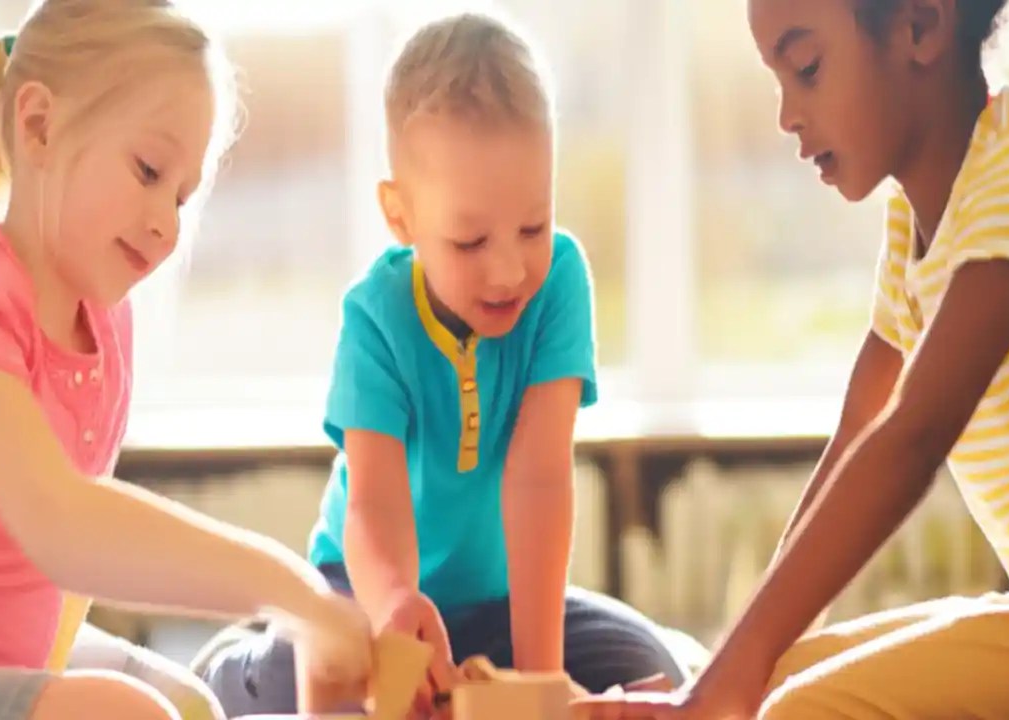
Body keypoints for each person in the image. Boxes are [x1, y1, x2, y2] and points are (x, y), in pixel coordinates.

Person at [575, 0, 1009, 718]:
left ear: (919, 27)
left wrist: (726, 682)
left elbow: (911, 437)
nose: (785, 113)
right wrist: (729, 670)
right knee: (773, 683)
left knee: (796, 710)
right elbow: (856, 439)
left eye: (806, 67)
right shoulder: (917, 216)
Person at [0, 2, 372, 718]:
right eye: (148, 170)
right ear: (39, 126)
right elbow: (62, 526)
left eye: (184, 195)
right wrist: (287, 587)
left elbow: (68, 589)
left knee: (191, 705)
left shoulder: (105, 329)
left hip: (6, 654)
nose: (167, 223)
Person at [202, 10, 687, 717]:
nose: (509, 269)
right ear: (401, 217)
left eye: (533, 226)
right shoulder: (376, 316)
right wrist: (396, 600)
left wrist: (539, 687)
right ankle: (237, 664)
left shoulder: (560, 282)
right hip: (366, 592)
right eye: (468, 240)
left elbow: (541, 478)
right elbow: (373, 499)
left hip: (497, 602)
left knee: (651, 664)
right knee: (322, 679)